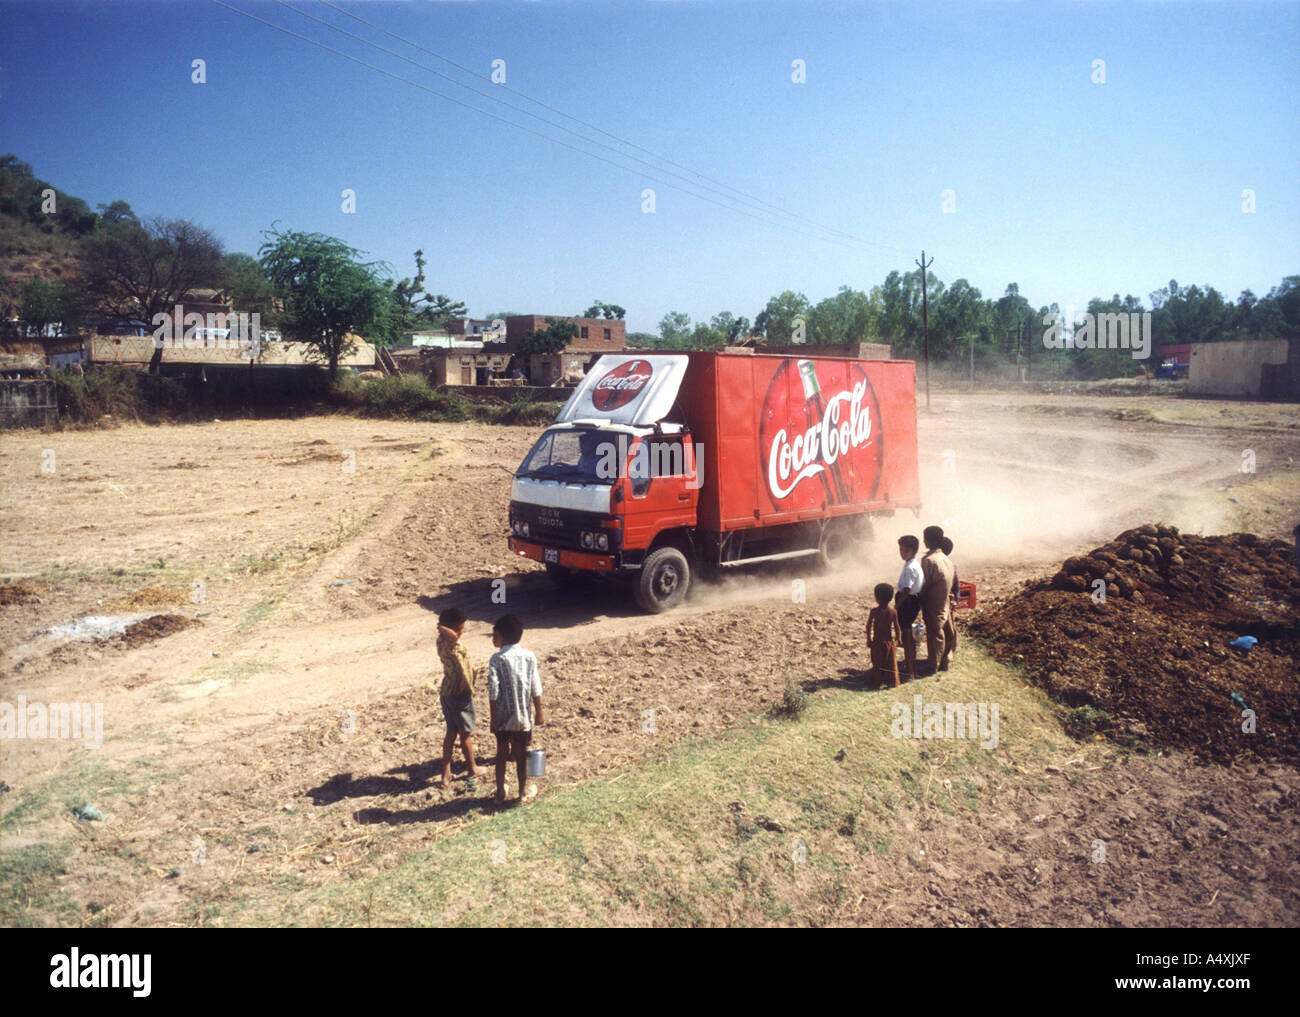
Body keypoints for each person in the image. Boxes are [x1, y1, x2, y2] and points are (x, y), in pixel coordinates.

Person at [488, 613, 545, 805]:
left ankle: (499, 793)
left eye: (494, 635)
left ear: (502, 637)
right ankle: (521, 792)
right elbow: (535, 687)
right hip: (523, 718)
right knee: (521, 756)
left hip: (503, 718)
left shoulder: (496, 660)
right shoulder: (529, 657)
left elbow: (493, 692)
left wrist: (493, 718)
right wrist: (539, 711)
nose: (492, 639)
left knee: (501, 754)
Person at [436, 607, 479, 787]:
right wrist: (441, 626)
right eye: (459, 628)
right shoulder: (449, 641)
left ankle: (446, 772)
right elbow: (452, 636)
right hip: (459, 694)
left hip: (447, 693)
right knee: (465, 734)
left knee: (451, 732)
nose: (462, 631)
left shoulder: (440, 642)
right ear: (449, 630)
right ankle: (472, 769)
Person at [920, 525, 956, 673]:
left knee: (935, 633)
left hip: (933, 601)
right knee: (947, 629)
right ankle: (945, 660)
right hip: (945, 598)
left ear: (927, 541)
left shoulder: (929, 560)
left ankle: (933, 665)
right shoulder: (946, 558)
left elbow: (924, 583)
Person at [894, 535, 924, 681]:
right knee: (910, 637)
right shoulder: (911, 564)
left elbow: (906, 589)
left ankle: (910, 672)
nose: (902, 553)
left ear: (914, 551)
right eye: (900, 549)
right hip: (911, 601)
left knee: (907, 637)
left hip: (907, 603)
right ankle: (910, 667)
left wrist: (897, 605)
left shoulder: (910, 567)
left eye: (905, 550)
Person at [866, 582, 902, 688]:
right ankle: (892, 682)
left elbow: (868, 626)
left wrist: (868, 639)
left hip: (877, 642)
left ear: (877, 598)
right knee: (891, 664)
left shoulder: (874, 611)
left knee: (877, 663)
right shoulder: (893, 611)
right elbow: (897, 627)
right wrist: (898, 639)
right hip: (889, 642)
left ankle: (877, 682)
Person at [940, 535, 959, 662]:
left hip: (948, 600)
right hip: (942, 600)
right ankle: (945, 651)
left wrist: (955, 600)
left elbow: (956, 585)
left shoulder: (951, 565)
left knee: (950, 627)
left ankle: (950, 651)